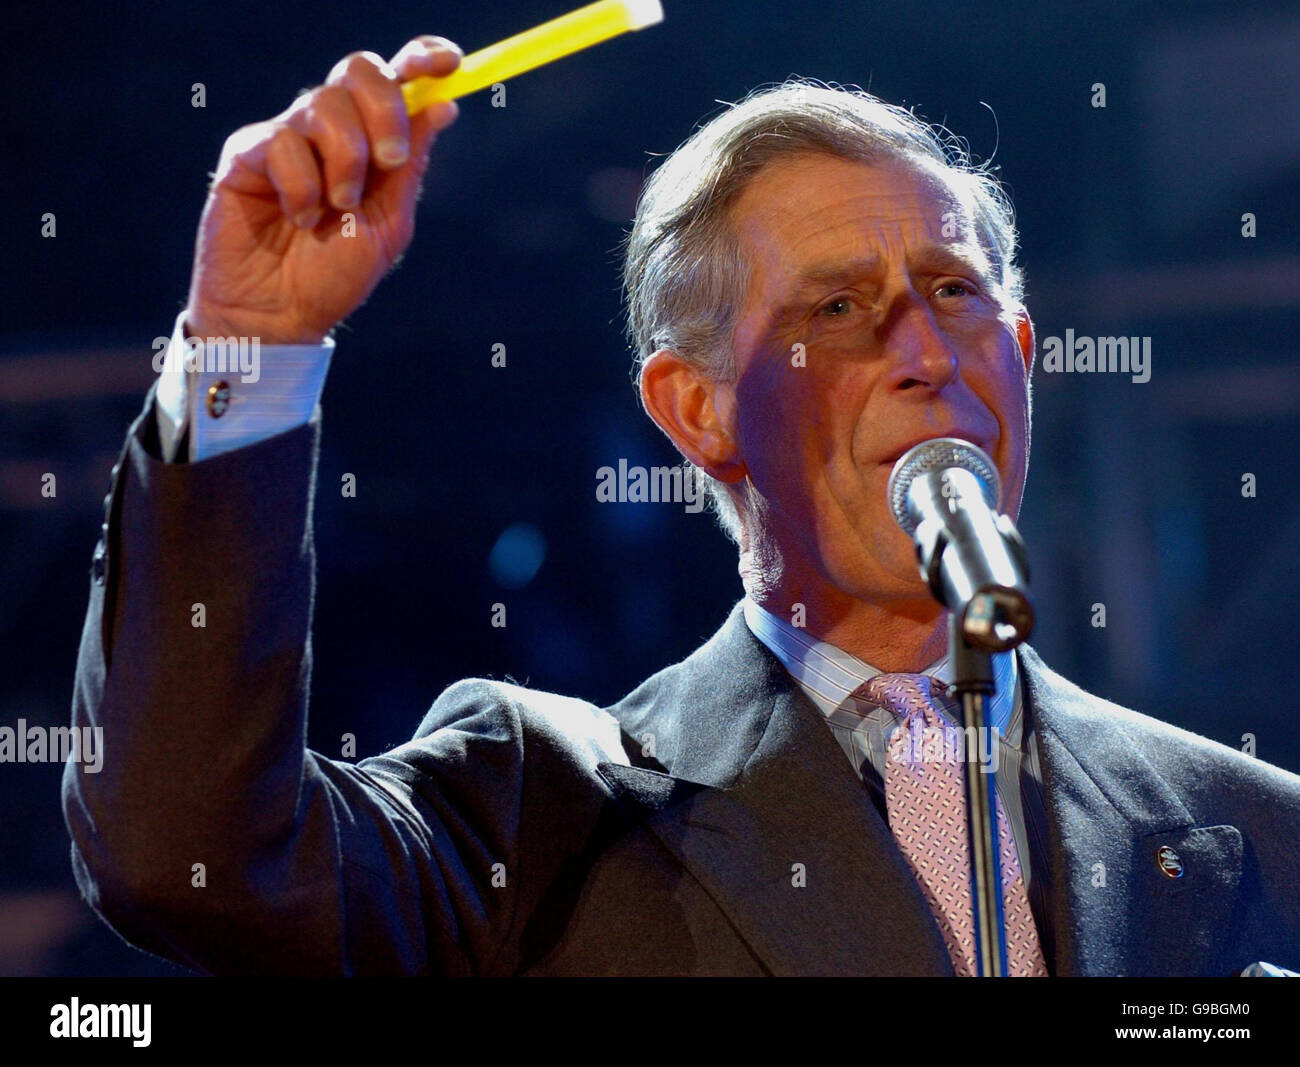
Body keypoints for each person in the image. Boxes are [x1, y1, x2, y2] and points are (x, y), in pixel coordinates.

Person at [63, 34, 1300, 976]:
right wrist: (252, 347)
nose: (925, 349)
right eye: (834, 308)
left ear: (1021, 357)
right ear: (698, 414)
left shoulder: (1252, 826)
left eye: (954, 292)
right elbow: (187, 851)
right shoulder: (545, 811)